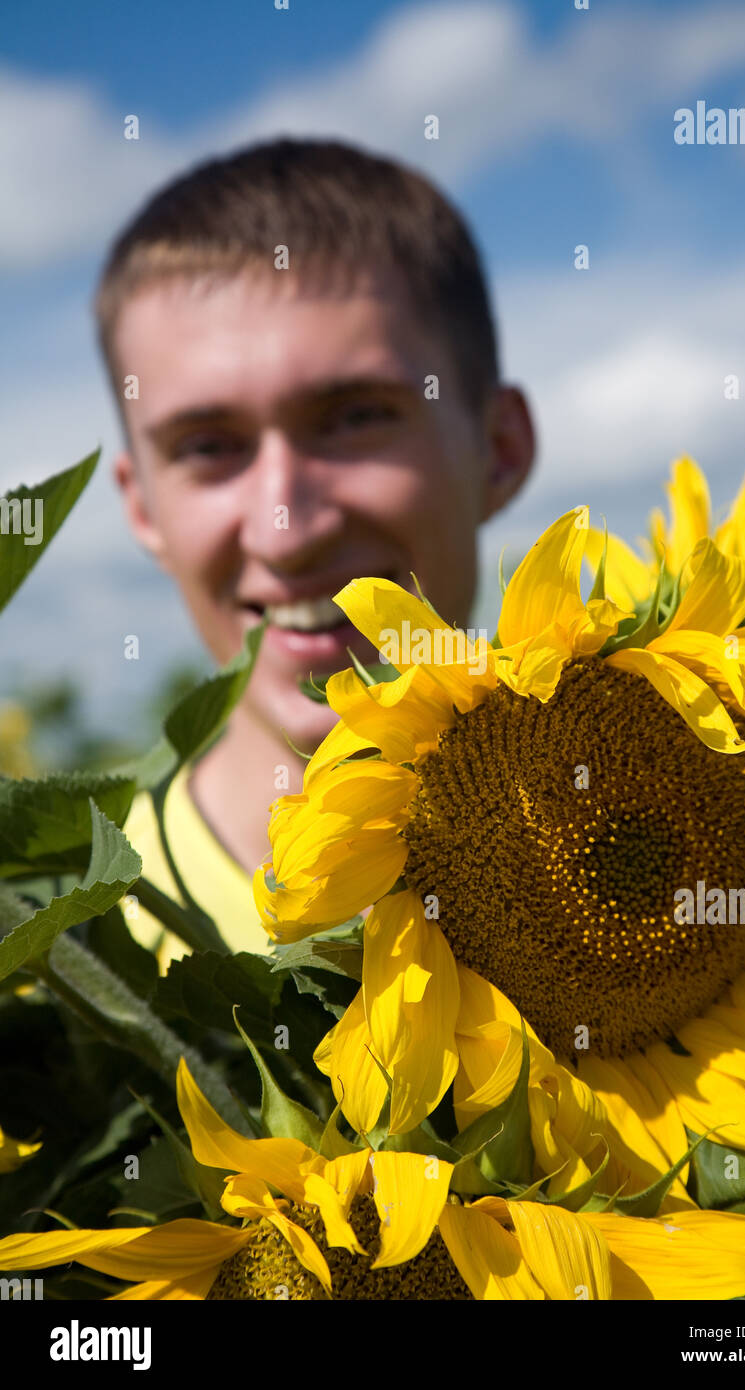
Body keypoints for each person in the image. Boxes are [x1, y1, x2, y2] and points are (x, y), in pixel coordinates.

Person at [95, 136, 535, 967]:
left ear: (500, 448)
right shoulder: (69, 968)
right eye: (207, 446)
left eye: (355, 417)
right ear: (141, 509)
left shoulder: (700, 845)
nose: (286, 529)